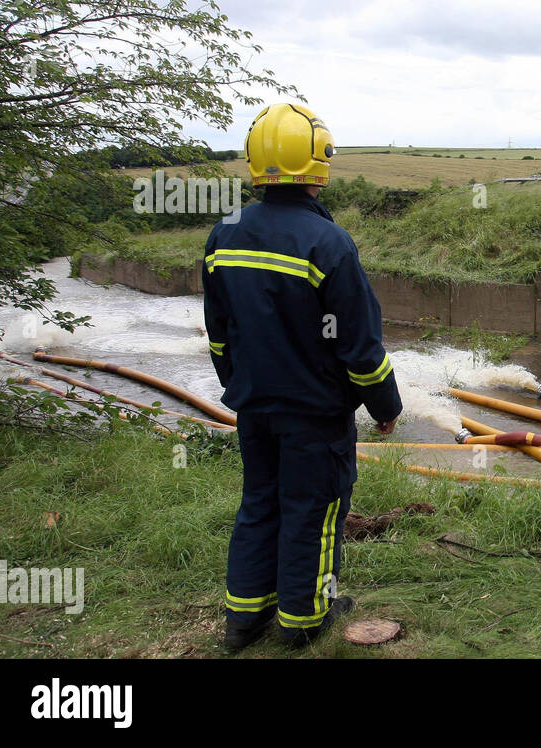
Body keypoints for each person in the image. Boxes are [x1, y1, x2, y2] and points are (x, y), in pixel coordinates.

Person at [203, 103, 402, 650]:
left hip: (254, 407)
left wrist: (240, 385)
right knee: (313, 510)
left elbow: (219, 334)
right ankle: (305, 620)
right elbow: (359, 347)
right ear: (319, 162)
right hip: (314, 415)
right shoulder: (328, 243)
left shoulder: (226, 233)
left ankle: (244, 619)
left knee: (260, 502)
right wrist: (385, 407)